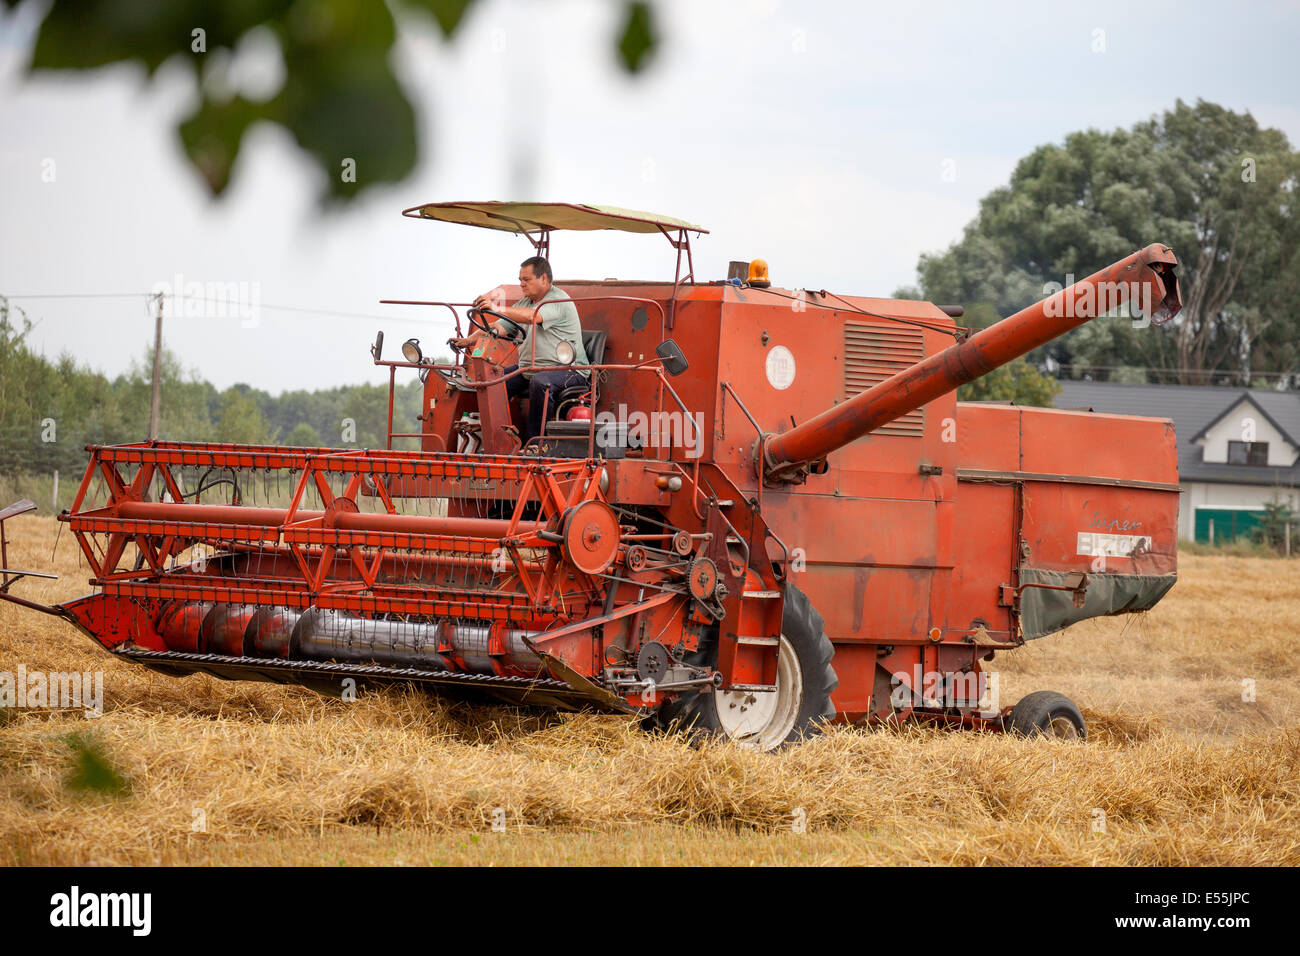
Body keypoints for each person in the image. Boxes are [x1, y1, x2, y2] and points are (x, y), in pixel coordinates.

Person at [450, 256, 589, 444]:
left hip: (569, 370)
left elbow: (534, 316)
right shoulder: (525, 303)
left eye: (526, 280)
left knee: (541, 383)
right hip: (530, 368)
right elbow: (498, 328)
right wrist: (468, 341)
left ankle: (536, 444)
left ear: (544, 279)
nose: (522, 284)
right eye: (520, 280)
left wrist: (497, 307)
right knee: (494, 381)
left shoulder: (557, 300)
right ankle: (496, 441)